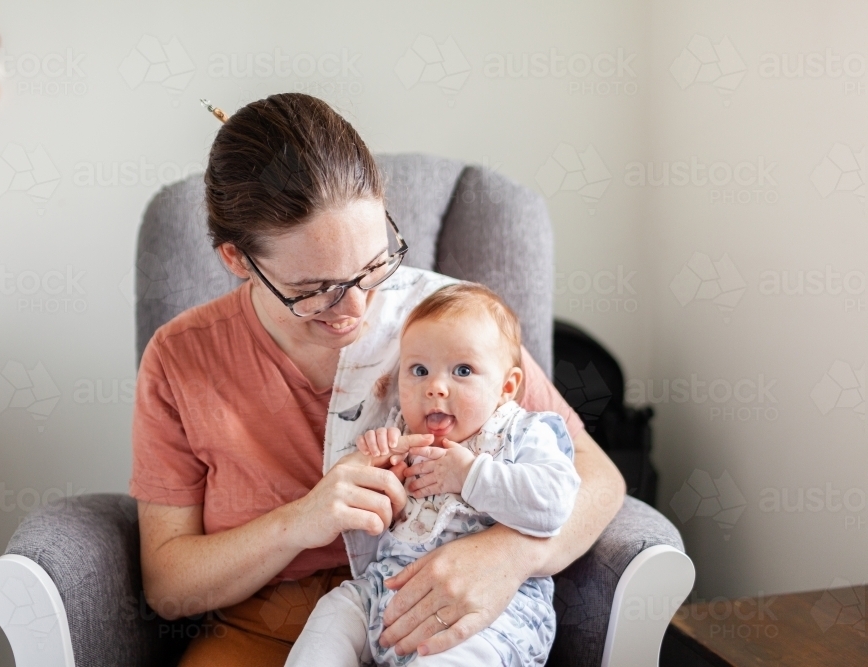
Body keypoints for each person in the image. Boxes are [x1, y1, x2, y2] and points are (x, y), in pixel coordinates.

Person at [130, 92, 626, 667]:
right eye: (314, 291)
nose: (356, 308)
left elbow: (598, 479)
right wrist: (299, 522)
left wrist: (510, 555)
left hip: (436, 621)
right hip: (263, 635)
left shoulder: (441, 323)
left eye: (372, 267)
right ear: (237, 260)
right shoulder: (182, 358)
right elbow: (168, 588)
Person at [285, 282, 581, 666]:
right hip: (386, 592)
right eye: (419, 370)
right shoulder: (403, 434)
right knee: (335, 613)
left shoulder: (523, 432)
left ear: (507, 387)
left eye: (462, 371)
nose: (435, 388)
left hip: (488, 615)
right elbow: (372, 528)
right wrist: (384, 475)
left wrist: (470, 475)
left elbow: (554, 505)